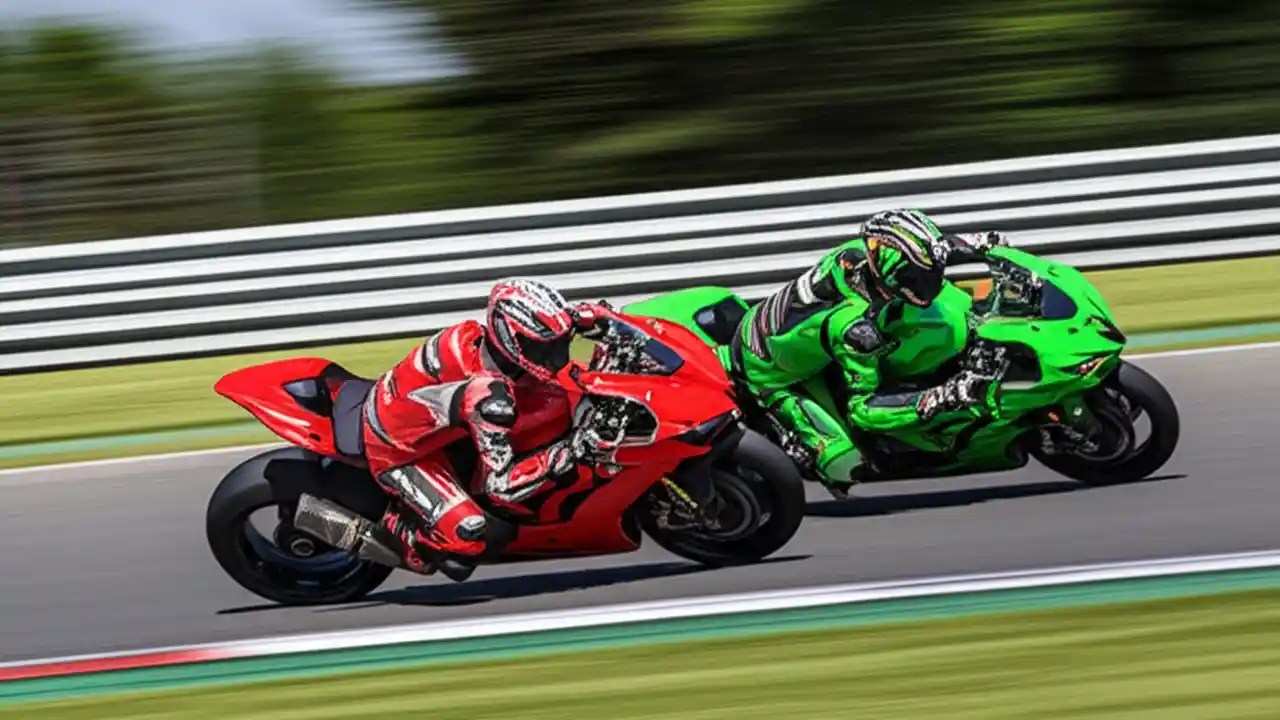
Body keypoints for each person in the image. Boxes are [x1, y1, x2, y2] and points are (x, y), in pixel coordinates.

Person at [729, 209, 1006, 499]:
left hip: (778, 330)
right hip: (771, 375)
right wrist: (944, 395)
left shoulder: (859, 255)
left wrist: (980, 245)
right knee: (842, 463)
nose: (928, 282)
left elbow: (925, 250)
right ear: (889, 268)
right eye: (915, 276)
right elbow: (865, 411)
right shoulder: (855, 329)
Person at [361, 278, 614, 581]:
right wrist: (573, 450)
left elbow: (576, 318)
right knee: (467, 538)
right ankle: (394, 528)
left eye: (561, 344)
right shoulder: (489, 399)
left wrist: (605, 322)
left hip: (425, 415)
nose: (557, 357)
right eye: (544, 348)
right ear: (511, 341)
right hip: (397, 449)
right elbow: (501, 485)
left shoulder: (489, 344)